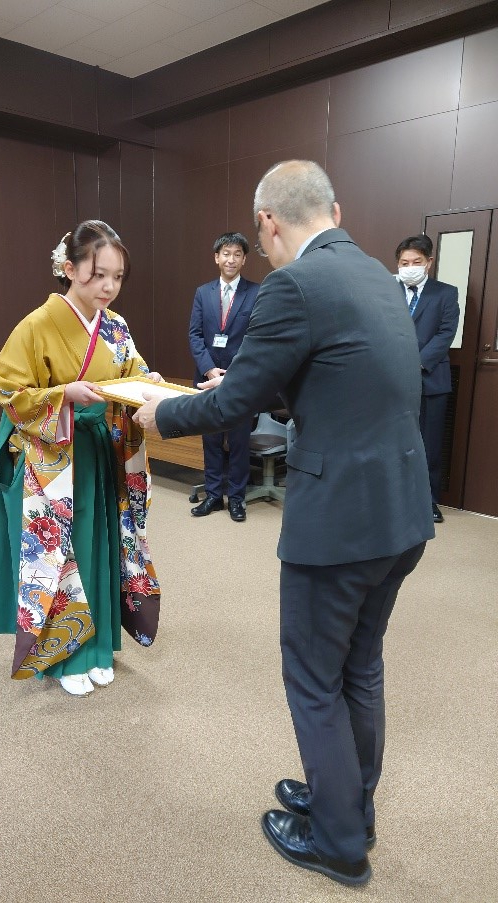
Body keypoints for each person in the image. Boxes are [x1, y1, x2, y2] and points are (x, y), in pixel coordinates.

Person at [134, 162, 434, 886]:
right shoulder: (371, 274)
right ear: (334, 206)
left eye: (256, 235)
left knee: (313, 679)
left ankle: (337, 842)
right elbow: (345, 380)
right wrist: (253, 384)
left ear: (267, 222)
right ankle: (348, 804)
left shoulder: (293, 285)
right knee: (358, 667)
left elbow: (234, 405)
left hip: (339, 522)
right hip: (400, 510)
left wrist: (159, 411)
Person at [0, 221, 161, 697]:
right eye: (99, 274)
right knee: (63, 551)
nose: (109, 287)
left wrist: (149, 382)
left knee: (99, 542)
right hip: (52, 454)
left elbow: (133, 371)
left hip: (97, 449)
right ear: (69, 267)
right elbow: (8, 388)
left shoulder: (115, 326)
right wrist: (63, 394)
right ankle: (64, 660)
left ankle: (97, 649)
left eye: (117, 277)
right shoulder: (37, 325)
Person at [188, 232, 259, 522]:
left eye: (237, 254)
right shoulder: (203, 292)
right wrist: (208, 368)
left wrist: (234, 373)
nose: (231, 259)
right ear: (216, 258)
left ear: (244, 259)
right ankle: (215, 495)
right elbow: (194, 335)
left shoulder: (256, 292)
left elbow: (257, 338)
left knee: (240, 441)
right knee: (212, 440)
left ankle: (237, 499)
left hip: (239, 381)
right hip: (207, 379)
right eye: (225, 253)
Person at [395, 234, 460, 523]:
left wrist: (417, 364)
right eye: (404, 262)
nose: (410, 267)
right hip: (391, 380)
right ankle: (394, 498)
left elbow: (446, 333)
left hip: (431, 379)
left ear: (429, 263)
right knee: (393, 442)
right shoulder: (387, 290)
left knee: (429, 444)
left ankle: (429, 501)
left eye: (416, 262)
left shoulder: (446, 293)